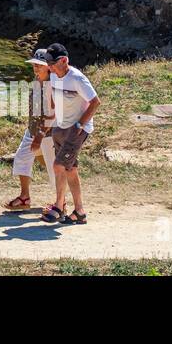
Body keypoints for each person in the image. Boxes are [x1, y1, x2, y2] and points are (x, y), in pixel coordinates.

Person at [41, 44, 99, 225]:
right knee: (70, 170)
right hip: (61, 127)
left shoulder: (78, 79)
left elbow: (95, 102)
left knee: (58, 165)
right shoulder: (53, 75)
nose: (49, 66)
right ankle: (79, 212)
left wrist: (79, 125)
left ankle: (58, 207)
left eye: (52, 63)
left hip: (77, 129)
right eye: (47, 63)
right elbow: (54, 98)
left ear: (64, 60)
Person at [6, 48, 56, 210]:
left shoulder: (53, 85)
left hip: (49, 134)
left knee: (54, 168)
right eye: (34, 65)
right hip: (33, 130)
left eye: (39, 65)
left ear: (49, 66)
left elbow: (52, 115)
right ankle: (24, 197)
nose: (36, 68)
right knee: (21, 158)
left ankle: (60, 203)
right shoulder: (36, 80)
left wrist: (39, 136)